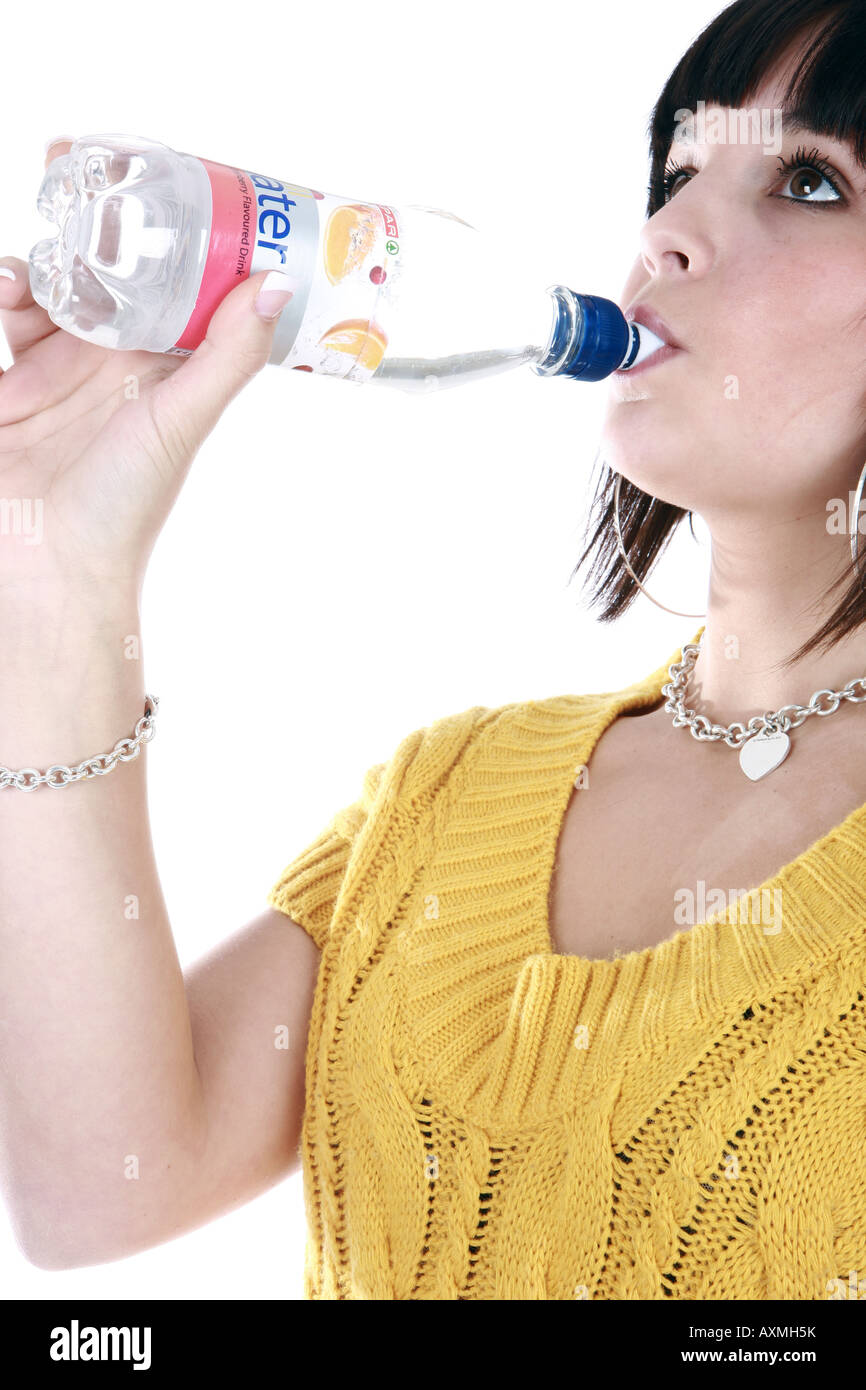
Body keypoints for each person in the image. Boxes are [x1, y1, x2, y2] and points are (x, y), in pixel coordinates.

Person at [2, 0, 866, 1301]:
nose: (666, 235)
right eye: (677, 170)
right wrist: (61, 567)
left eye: (810, 182)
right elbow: (96, 1191)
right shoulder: (446, 793)